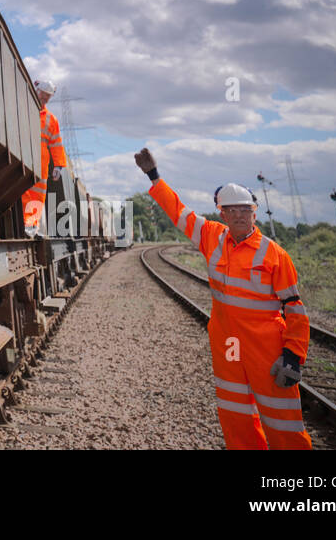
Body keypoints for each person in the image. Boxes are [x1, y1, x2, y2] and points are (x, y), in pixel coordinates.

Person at [134, 147, 312, 449]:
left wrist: (293, 355)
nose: (241, 216)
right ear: (223, 214)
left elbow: (295, 308)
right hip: (228, 344)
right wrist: (153, 175)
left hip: (265, 346)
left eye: (246, 211)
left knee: (282, 419)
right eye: (234, 211)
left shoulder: (274, 254)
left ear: (254, 213)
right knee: (235, 413)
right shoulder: (212, 236)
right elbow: (178, 211)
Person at [22, 79, 67, 235]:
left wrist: (58, 166)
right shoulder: (23, 109)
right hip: (24, 156)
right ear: (36, 91)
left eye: (48, 96)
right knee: (24, 191)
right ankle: (25, 222)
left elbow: (56, 144)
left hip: (41, 162)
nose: (46, 98)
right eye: (44, 94)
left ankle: (31, 224)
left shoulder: (51, 119)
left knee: (38, 195)